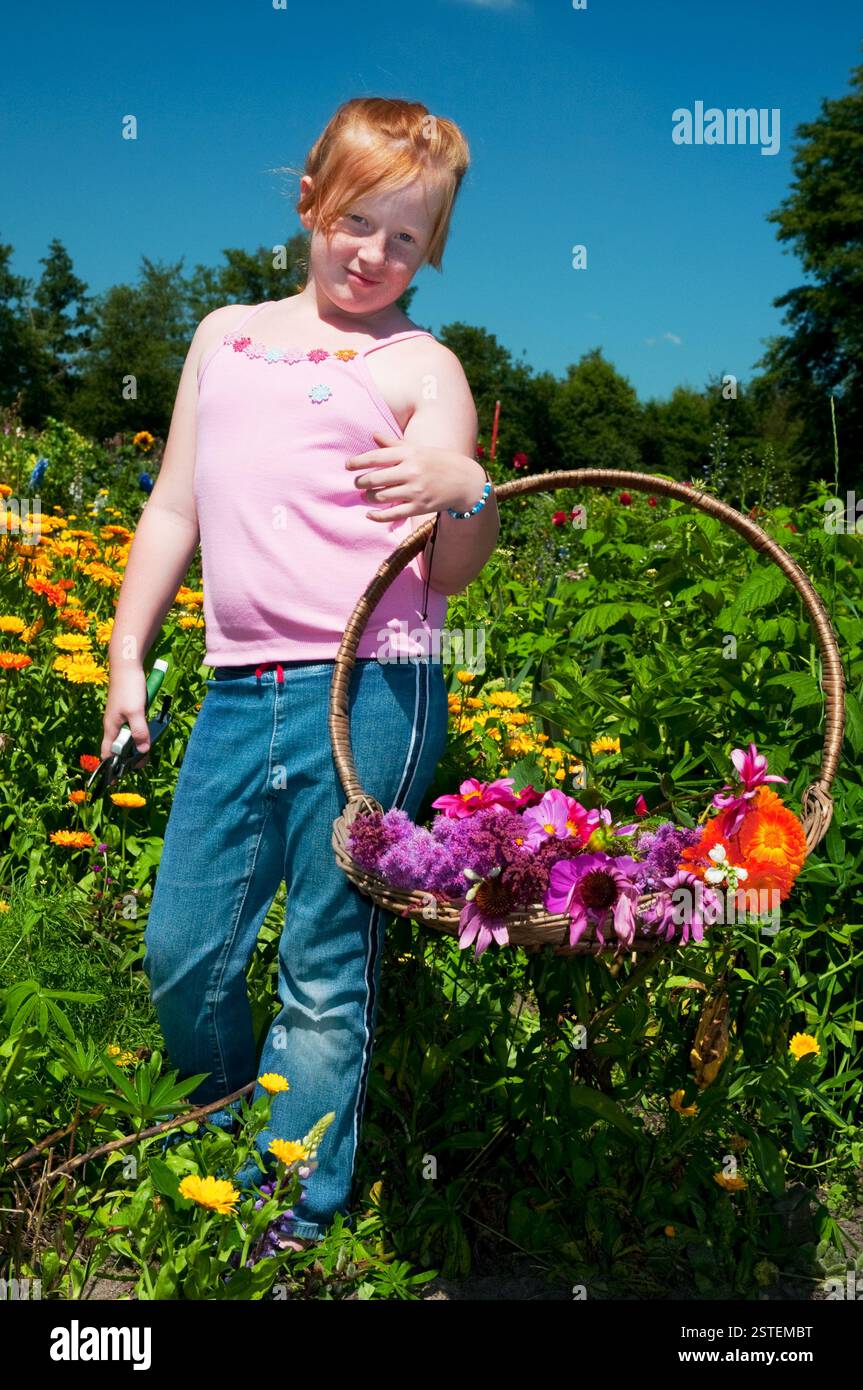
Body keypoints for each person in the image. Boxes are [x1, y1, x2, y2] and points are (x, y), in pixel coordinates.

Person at [100, 97, 500, 1247]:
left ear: (433, 252)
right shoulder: (225, 333)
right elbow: (173, 502)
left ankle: (285, 1214)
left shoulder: (423, 368)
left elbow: (457, 566)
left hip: (372, 687)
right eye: (355, 219)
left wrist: (460, 484)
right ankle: (225, 1132)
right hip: (234, 683)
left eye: (406, 238)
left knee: (322, 961)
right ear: (308, 202)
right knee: (183, 950)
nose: (372, 253)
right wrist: (128, 648)